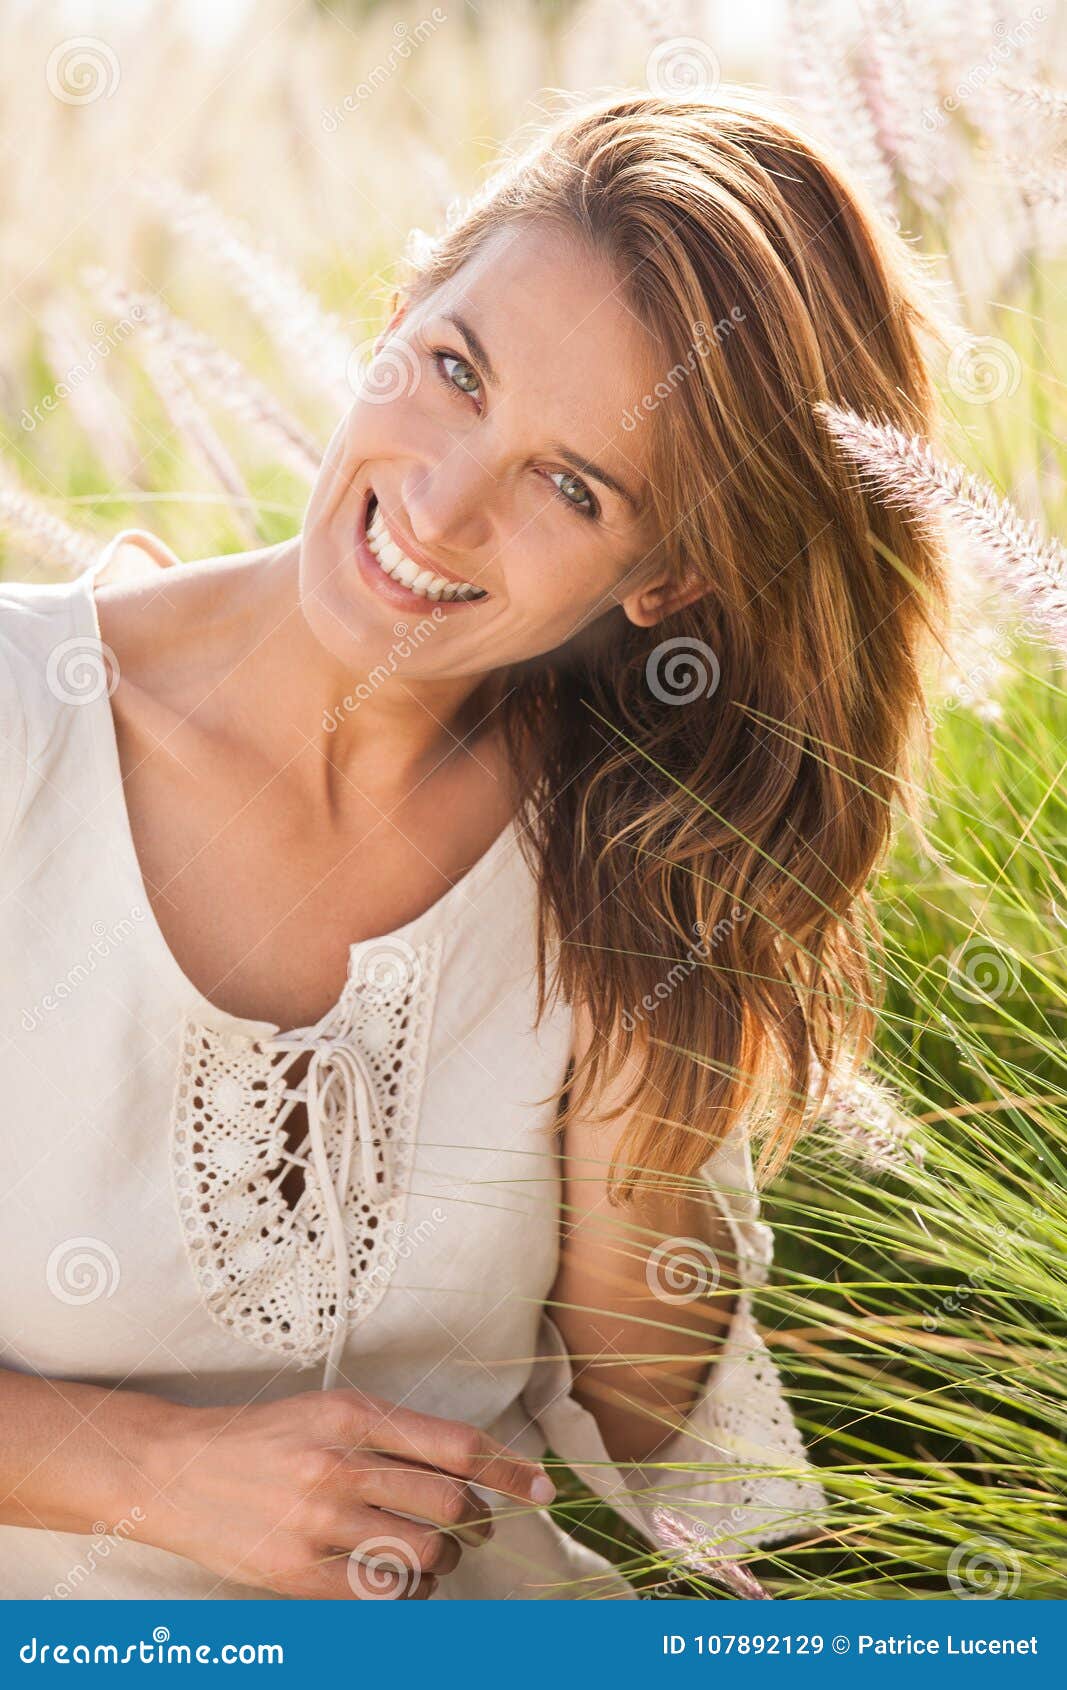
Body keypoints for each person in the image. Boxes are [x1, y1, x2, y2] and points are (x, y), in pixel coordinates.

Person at [0, 85, 949, 1599]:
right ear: (397, 307)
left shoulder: (619, 845)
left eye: (571, 487)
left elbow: (661, 1448)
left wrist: (666, 990)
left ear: (673, 576)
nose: (439, 509)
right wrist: (147, 1474)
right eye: (453, 370)